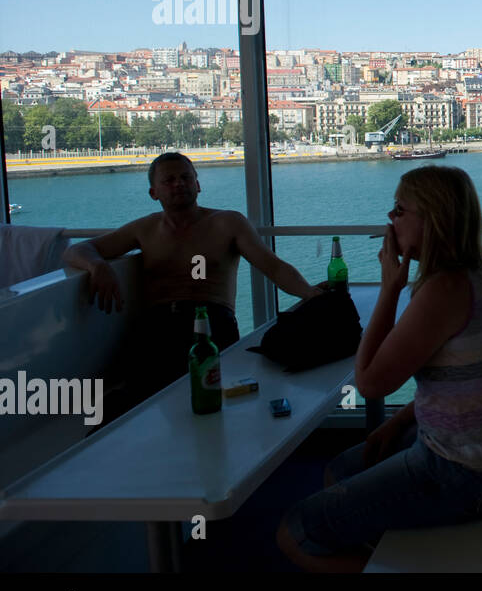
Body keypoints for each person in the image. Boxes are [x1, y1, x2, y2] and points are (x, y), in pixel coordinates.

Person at [277, 165, 482, 572]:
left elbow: (369, 384)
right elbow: (466, 381)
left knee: (295, 533)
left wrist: (390, 287)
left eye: (399, 209)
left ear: (431, 219)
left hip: (469, 476)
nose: (390, 218)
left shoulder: (441, 290)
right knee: (341, 470)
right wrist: (399, 422)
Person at [61, 151, 322, 417]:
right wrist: (98, 266)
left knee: (205, 399)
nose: (179, 184)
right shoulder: (145, 229)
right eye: (169, 180)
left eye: (186, 177)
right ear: (153, 192)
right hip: (158, 327)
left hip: (212, 323)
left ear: (198, 185)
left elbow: (273, 266)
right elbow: (77, 250)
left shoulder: (227, 223)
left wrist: (310, 293)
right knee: (132, 403)